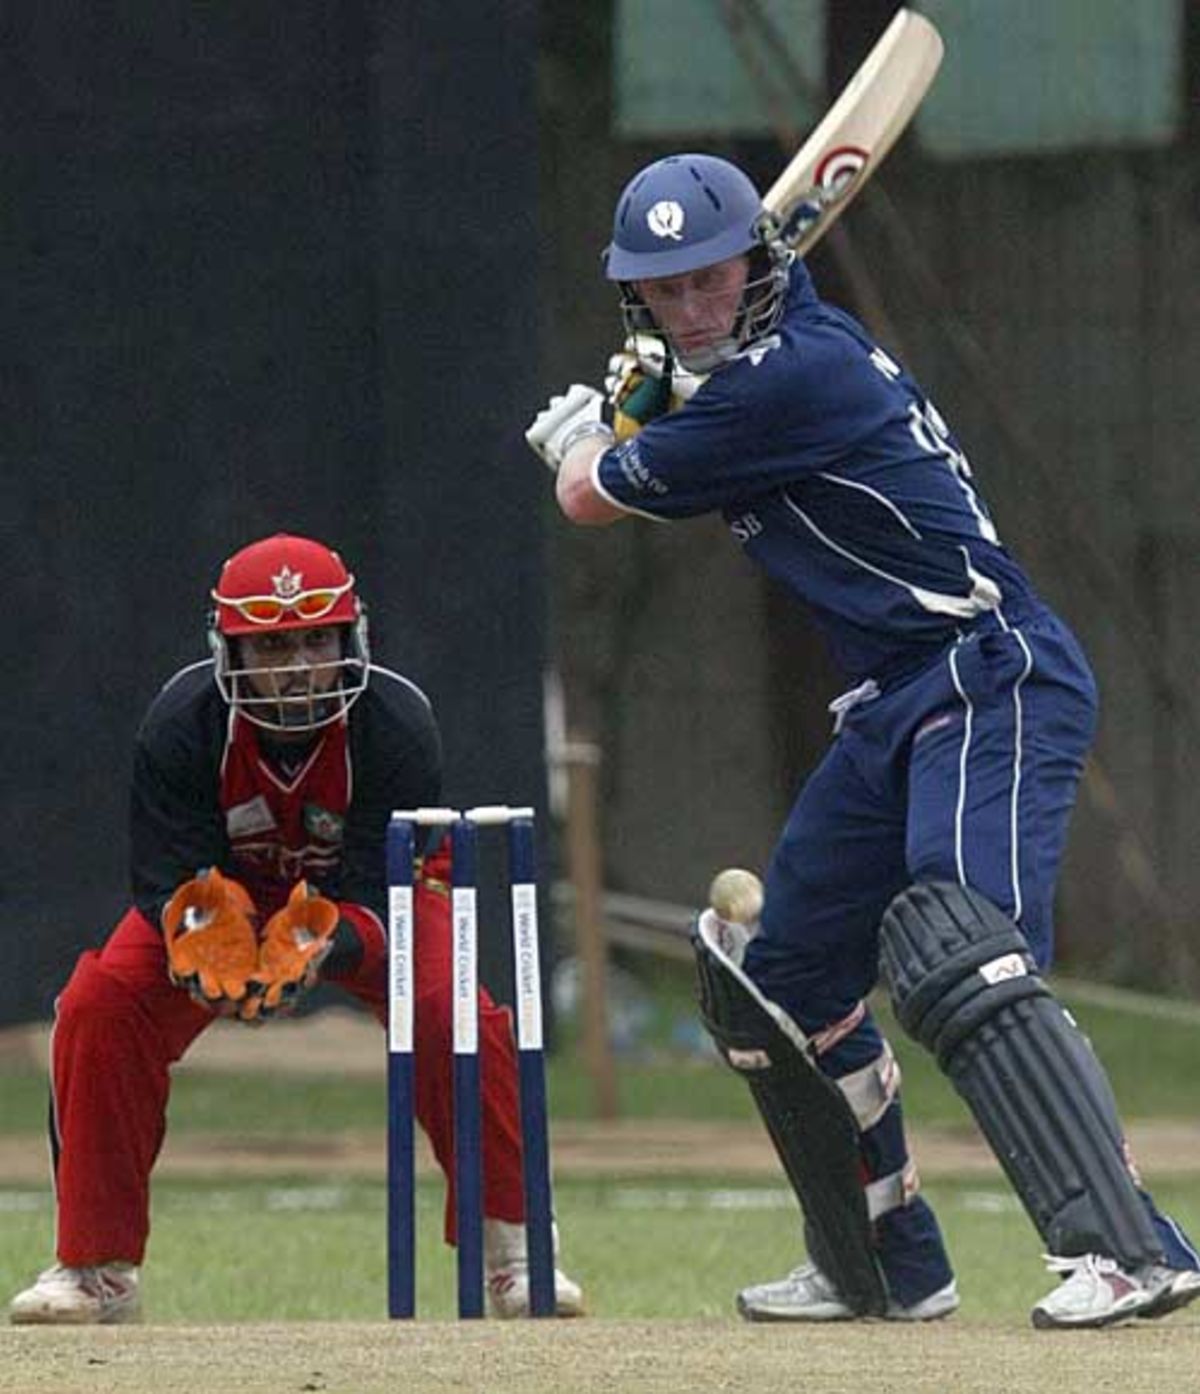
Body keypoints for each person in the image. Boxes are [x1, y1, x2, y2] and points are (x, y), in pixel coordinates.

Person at [526, 152, 1200, 1329]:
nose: (693, 306)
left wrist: (596, 428)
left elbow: (591, 494)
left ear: (759, 263)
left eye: (712, 278)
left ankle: (1134, 1248)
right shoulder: (745, 380)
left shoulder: (797, 379)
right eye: (667, 289)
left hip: (988, 672)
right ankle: (884, 1261)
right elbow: (707, 410)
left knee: (964, 947)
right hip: (894, 698)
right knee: (774, 983)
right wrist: (666, 394)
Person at [9, 532, 583, 1324]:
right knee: (99, 1003)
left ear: (351, 638)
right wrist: (208, 934)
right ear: (230, 652)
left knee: (457, 1013)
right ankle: (95, 1269)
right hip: (222, 896)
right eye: (271, 646)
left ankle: (513, 1251)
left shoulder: (396, 723)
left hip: (366, 899)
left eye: (315, 641)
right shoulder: (181, 723)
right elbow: (166, 875)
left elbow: (384, 887)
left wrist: (316, 943)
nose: (296, 667)